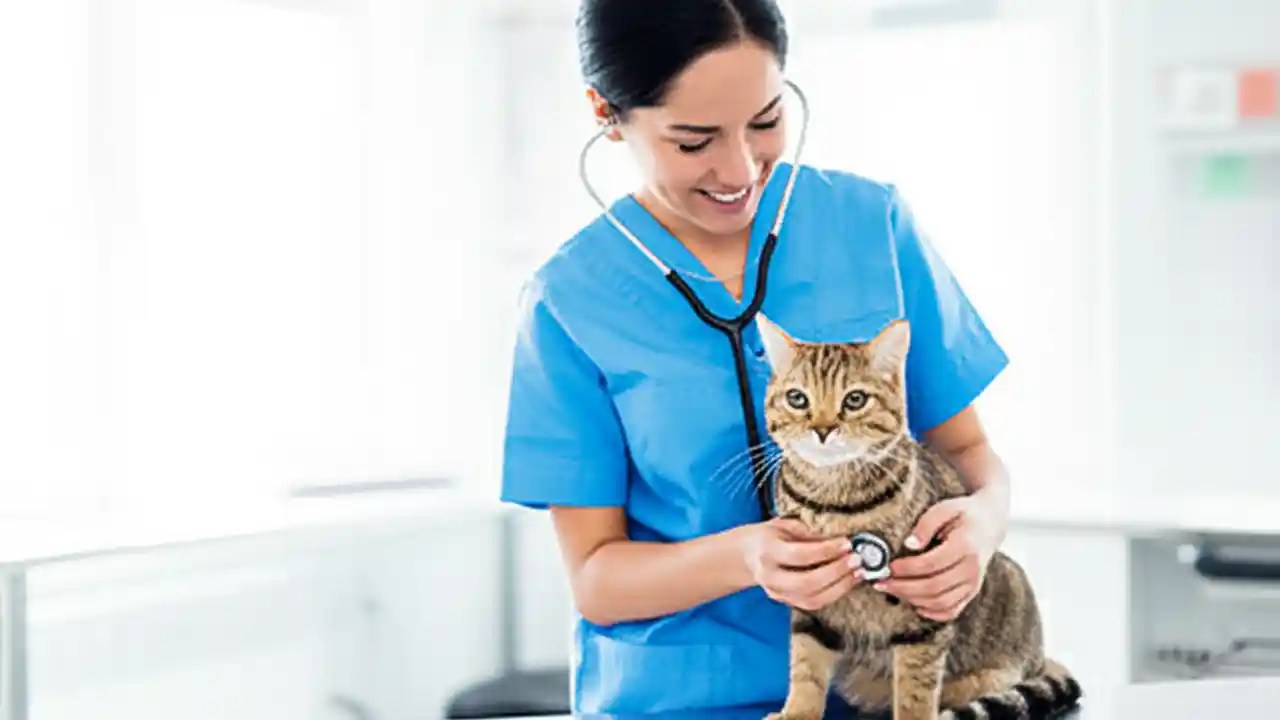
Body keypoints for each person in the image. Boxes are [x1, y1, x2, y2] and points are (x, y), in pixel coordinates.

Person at [499, 0, 1013, 714]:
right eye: (693, 141)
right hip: (679, 702)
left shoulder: (871, 225)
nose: (739, 167)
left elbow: (966, 450)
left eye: (766, 121)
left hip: (888, 693)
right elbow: (596, 577)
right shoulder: (570, 300)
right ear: (606, 113)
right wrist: (746, 558)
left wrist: (982, 525)